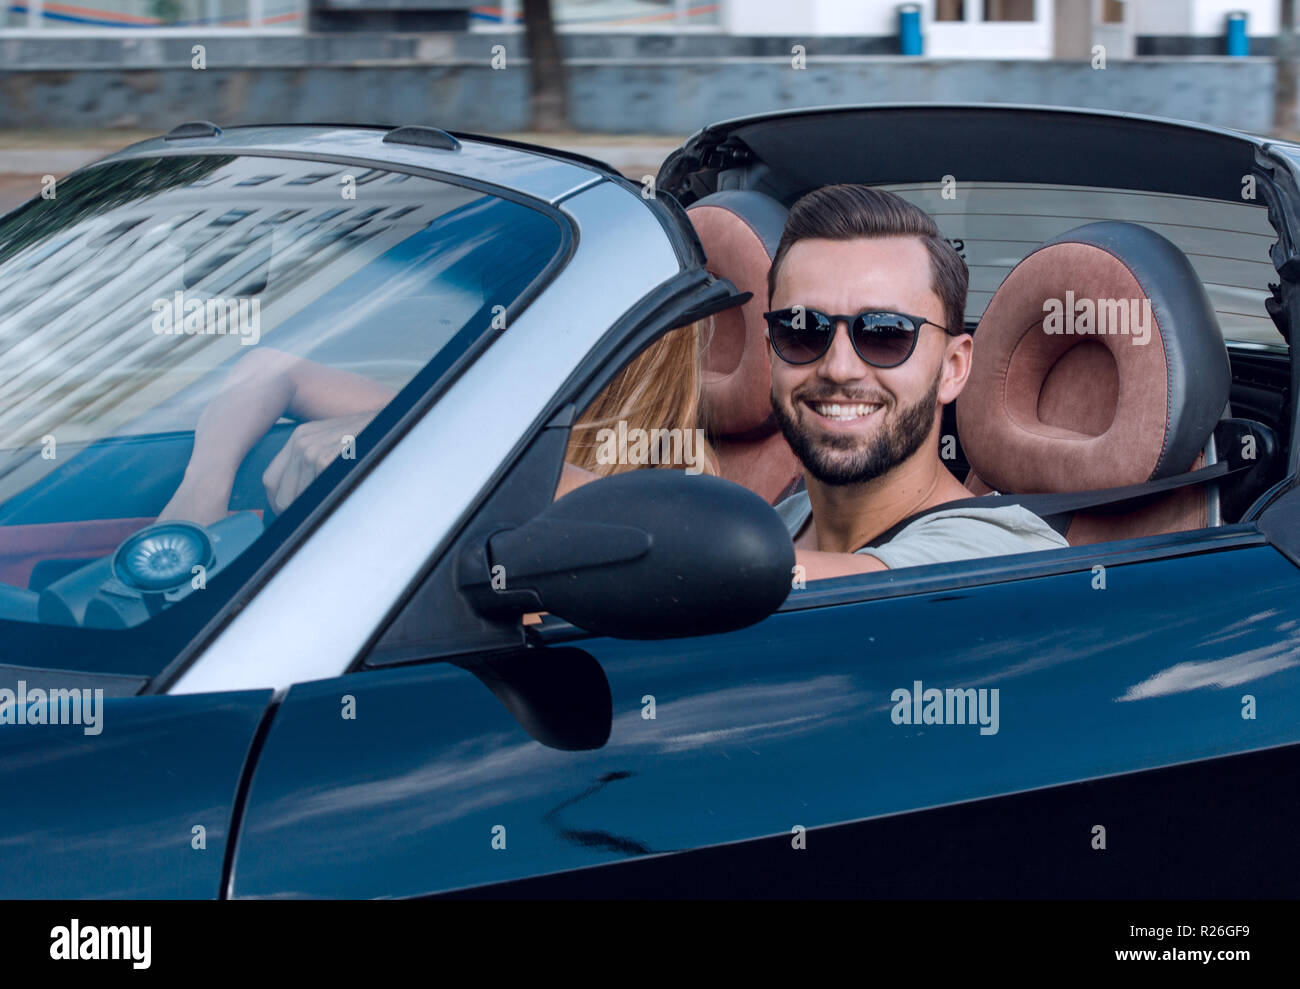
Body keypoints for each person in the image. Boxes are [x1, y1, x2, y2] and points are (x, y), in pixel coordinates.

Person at [765, 184, 1068, 583]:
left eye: (885, 334)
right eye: (802, 330)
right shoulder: (779, 521)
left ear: (953, 367)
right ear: (769, 352)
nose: (838, 368)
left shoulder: (1013, 558)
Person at [159, 319, 716, 525]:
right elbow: (272, 369)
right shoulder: (485, 424)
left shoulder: (680, 495)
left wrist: (437, 446)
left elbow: (785, 570)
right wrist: (201, 487)